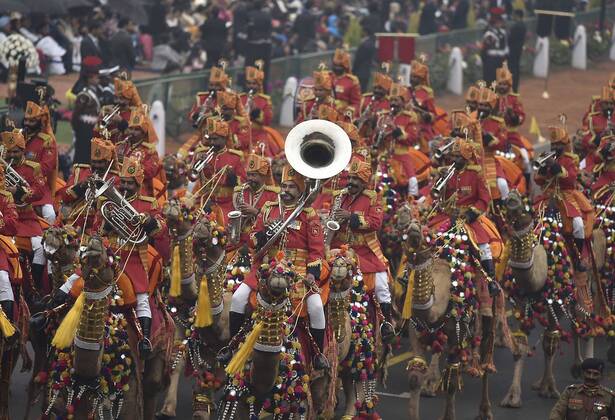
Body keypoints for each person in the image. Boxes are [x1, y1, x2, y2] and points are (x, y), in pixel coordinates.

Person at [226, 164, 329, 369]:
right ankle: (232, 345)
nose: (286, 191)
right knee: (237, 298)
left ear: (300, 191)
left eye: (291, 187)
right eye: (284, 186)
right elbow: (254, 237)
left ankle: (318, 354)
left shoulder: (309, 214)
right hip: (266, 266)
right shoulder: (268, 209)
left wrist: (312, 275)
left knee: (316, 307)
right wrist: (264, 235)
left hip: (298, 270)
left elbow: (317, 251)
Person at [95, 157, 166, 358]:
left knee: (142, 298)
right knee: (83, 284)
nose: (125, 187)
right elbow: (97, 232)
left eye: (129, 183)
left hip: (134, 257)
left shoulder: (148, 203)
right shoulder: (107, 201)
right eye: (123, 182)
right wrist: (106, 226)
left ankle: (144, 339)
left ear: (138, 184)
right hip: (111, 255)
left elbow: (161, 229)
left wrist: (148, 221)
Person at [329, 158, 395, 341]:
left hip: (364, 251)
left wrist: (350, 217)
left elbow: (375, 223)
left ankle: (386, 323)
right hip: (337, 249)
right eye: (350, 178)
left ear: (364, 182)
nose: (351, 182)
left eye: (356, 179)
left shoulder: (373, 198)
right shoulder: (339, 196)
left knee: (381, 284)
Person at [534, 126, 596, 272]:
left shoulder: (570, 159)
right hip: (549, 196)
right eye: (553, 144)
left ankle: (578, 257)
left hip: (567, 196)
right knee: (537, 222)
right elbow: (539, 181)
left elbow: (571, 179)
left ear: (564, 145)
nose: (555, 147)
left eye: (558, 145)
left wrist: (555, 167)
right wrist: (543, 168)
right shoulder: (547, 156)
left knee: (579, 225)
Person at [0, 129, 47, 292]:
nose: (12, 155)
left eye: (16, 151)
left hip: (27, 216)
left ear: (22, 150)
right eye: (10, 151)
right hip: (7, 218)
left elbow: (39, 192)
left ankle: (36, 288)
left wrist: (19, 191)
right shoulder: (1, 166)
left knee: (40, 248)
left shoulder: (33, 167)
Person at [22, 100, 58, 224]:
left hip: (38, 187)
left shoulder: (47, 141)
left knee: (50, 215)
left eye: (31, 121)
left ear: (39, 122)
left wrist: (25, 173)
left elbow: (46, 168)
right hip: (15, 185)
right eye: (26, 120)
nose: (27, 124)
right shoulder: (18, 136)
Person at [495, 62, 531, 185]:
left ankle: (527, 186)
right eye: (500, 83)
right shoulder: (491, 98)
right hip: (497, 137)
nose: (502, 86)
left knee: (525, 159)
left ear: (509, 85)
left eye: (505, 84)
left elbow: (521, 117)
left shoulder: (514, 99)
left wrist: (513, 116)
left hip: (512, 136)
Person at [549, 358, 615, 419]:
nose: (591, 377)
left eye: (596, 374)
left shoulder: (609, 397)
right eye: (588, 373)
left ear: (601, 376)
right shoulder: (570, 392)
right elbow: (557, 413)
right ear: (583, 374)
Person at [71, 57, 102, 164]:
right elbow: (75, 117)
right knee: (81, 157)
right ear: (89, 78)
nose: (98, 79)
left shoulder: (94, 92)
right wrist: (79, 132)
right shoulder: (84, 94)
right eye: (96, 77)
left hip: (91, 130)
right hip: (84, 131)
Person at [245, 0, 272, 88]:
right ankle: (263, 91)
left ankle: (249, 90)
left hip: (252, 46)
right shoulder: (267, 16)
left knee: (251, 71)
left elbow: (248, 30)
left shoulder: (249, 15)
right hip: (265, 46)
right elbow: (269, 29)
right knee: (264, 72)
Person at [330, 48, 361, 116]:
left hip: (343, 115)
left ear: (345, 66)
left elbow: (356, 103)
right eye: (335, 65)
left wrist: (349, 112)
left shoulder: (352, 81)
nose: (337, 68)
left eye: (340, 66)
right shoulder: (327, 77)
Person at [481, 8, 509, 85]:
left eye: (500, 22)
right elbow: (484, 50)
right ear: (494, 23)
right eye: (498, 22)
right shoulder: (489, 33)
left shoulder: (503, 32)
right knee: (490, 81)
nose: (500, 24)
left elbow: (506, 47)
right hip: (491, 60)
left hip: (501, 60)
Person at [353, 20, 377, 92]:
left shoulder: (364, 45)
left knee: (358, 92)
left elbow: (359, 59)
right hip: (366, 72)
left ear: (365, 32)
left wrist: (353, 70)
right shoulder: (372, 43)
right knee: (363, 91)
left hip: (360, 72)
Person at [508, 9, 526, 93]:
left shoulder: (515, 26)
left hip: (512, 50)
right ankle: (515, 87)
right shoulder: (523, 25)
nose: (512, 16)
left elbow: (510, 39)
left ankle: (512, 86)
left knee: (512, 68)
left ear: (517, 15)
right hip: (519, 49)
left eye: (514, 15)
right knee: (516, 68)